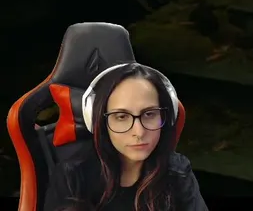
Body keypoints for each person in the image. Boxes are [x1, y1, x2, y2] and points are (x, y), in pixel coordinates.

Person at [43, 63, 206, 211]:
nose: (139, 132)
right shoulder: (72, 178)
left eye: (149, 114)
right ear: (101, 122)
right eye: (121, 116)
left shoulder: (177, 172)